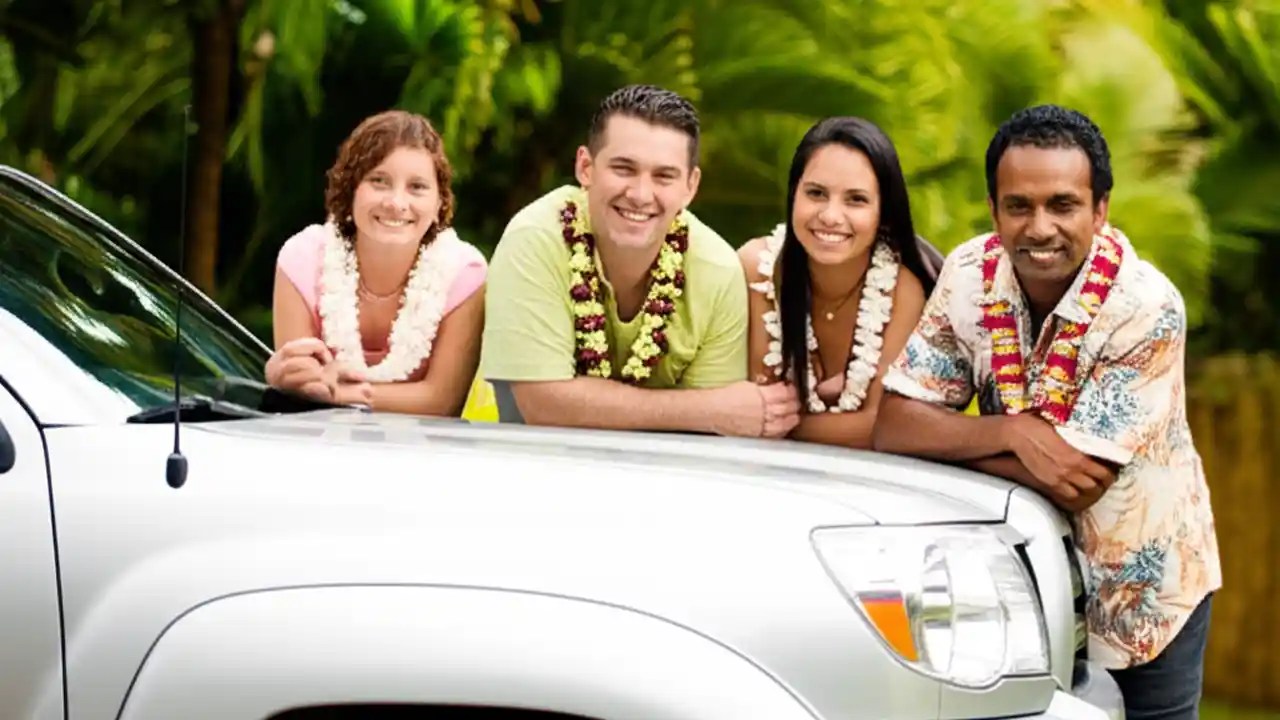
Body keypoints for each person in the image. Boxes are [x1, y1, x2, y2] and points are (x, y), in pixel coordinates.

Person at [872, 105, 1221, 719]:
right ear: (994, 208)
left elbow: (1078, 479)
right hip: (1019, 585)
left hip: (1143, 598)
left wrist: (953, 441)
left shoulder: (1145, 307)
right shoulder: (967, 275)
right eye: (1019, 206)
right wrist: (1011, 430)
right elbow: (894, 425)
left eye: (1062, 205)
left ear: (1100, 209)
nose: (1039, 228)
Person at [479, 84, 800, 437]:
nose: (640, 195)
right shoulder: (536, 239)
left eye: (664, 176)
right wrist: (706, 409)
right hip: (532, 471)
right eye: (624, 168)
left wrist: (710, 414)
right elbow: (543, 404)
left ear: (690, 187)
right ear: (586, 167)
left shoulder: (717, 271)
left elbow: (710, 440)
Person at [264, 110, 487, 416]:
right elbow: (302, 387)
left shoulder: (465, 273)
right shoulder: (302, 258)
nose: (396, 203)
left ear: (439, 203)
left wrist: (339, 393)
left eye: (417, 187)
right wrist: (286, 378)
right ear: (349, 191)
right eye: (379, 181)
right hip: (316, 444)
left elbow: (441, 401)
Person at [738, 116, 937, 448]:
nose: (830, 216)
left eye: (856, 199)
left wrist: (779, 424)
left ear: (883, 212)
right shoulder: (756, 268)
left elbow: (884, 426)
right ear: (793, 196)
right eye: (816, 193)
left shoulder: (902, 290)